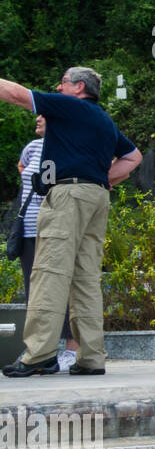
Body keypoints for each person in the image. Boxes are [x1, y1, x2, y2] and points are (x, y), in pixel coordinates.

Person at [0, 66, 142, 377]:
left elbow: (14, 94)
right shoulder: (104, 120)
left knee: (50, 269)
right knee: (86, 278)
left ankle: (40, 354)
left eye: (62, 82)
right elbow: (134, 158)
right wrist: (99, 179)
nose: (58, 88)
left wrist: (75, 182)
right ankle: (91, 357)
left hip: (68, 196)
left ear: (78, 87)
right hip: (97, 198)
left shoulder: (68, 105)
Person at [15, 114, 78, 370]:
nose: (38, 119)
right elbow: (22, 168)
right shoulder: (32, 147)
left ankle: (72, 350)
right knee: (35, 293)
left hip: (53, 228)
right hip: (28, 230)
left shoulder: (64, 146)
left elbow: (54, 184)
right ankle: (40, 350)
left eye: (44, 116)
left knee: (61, 289)